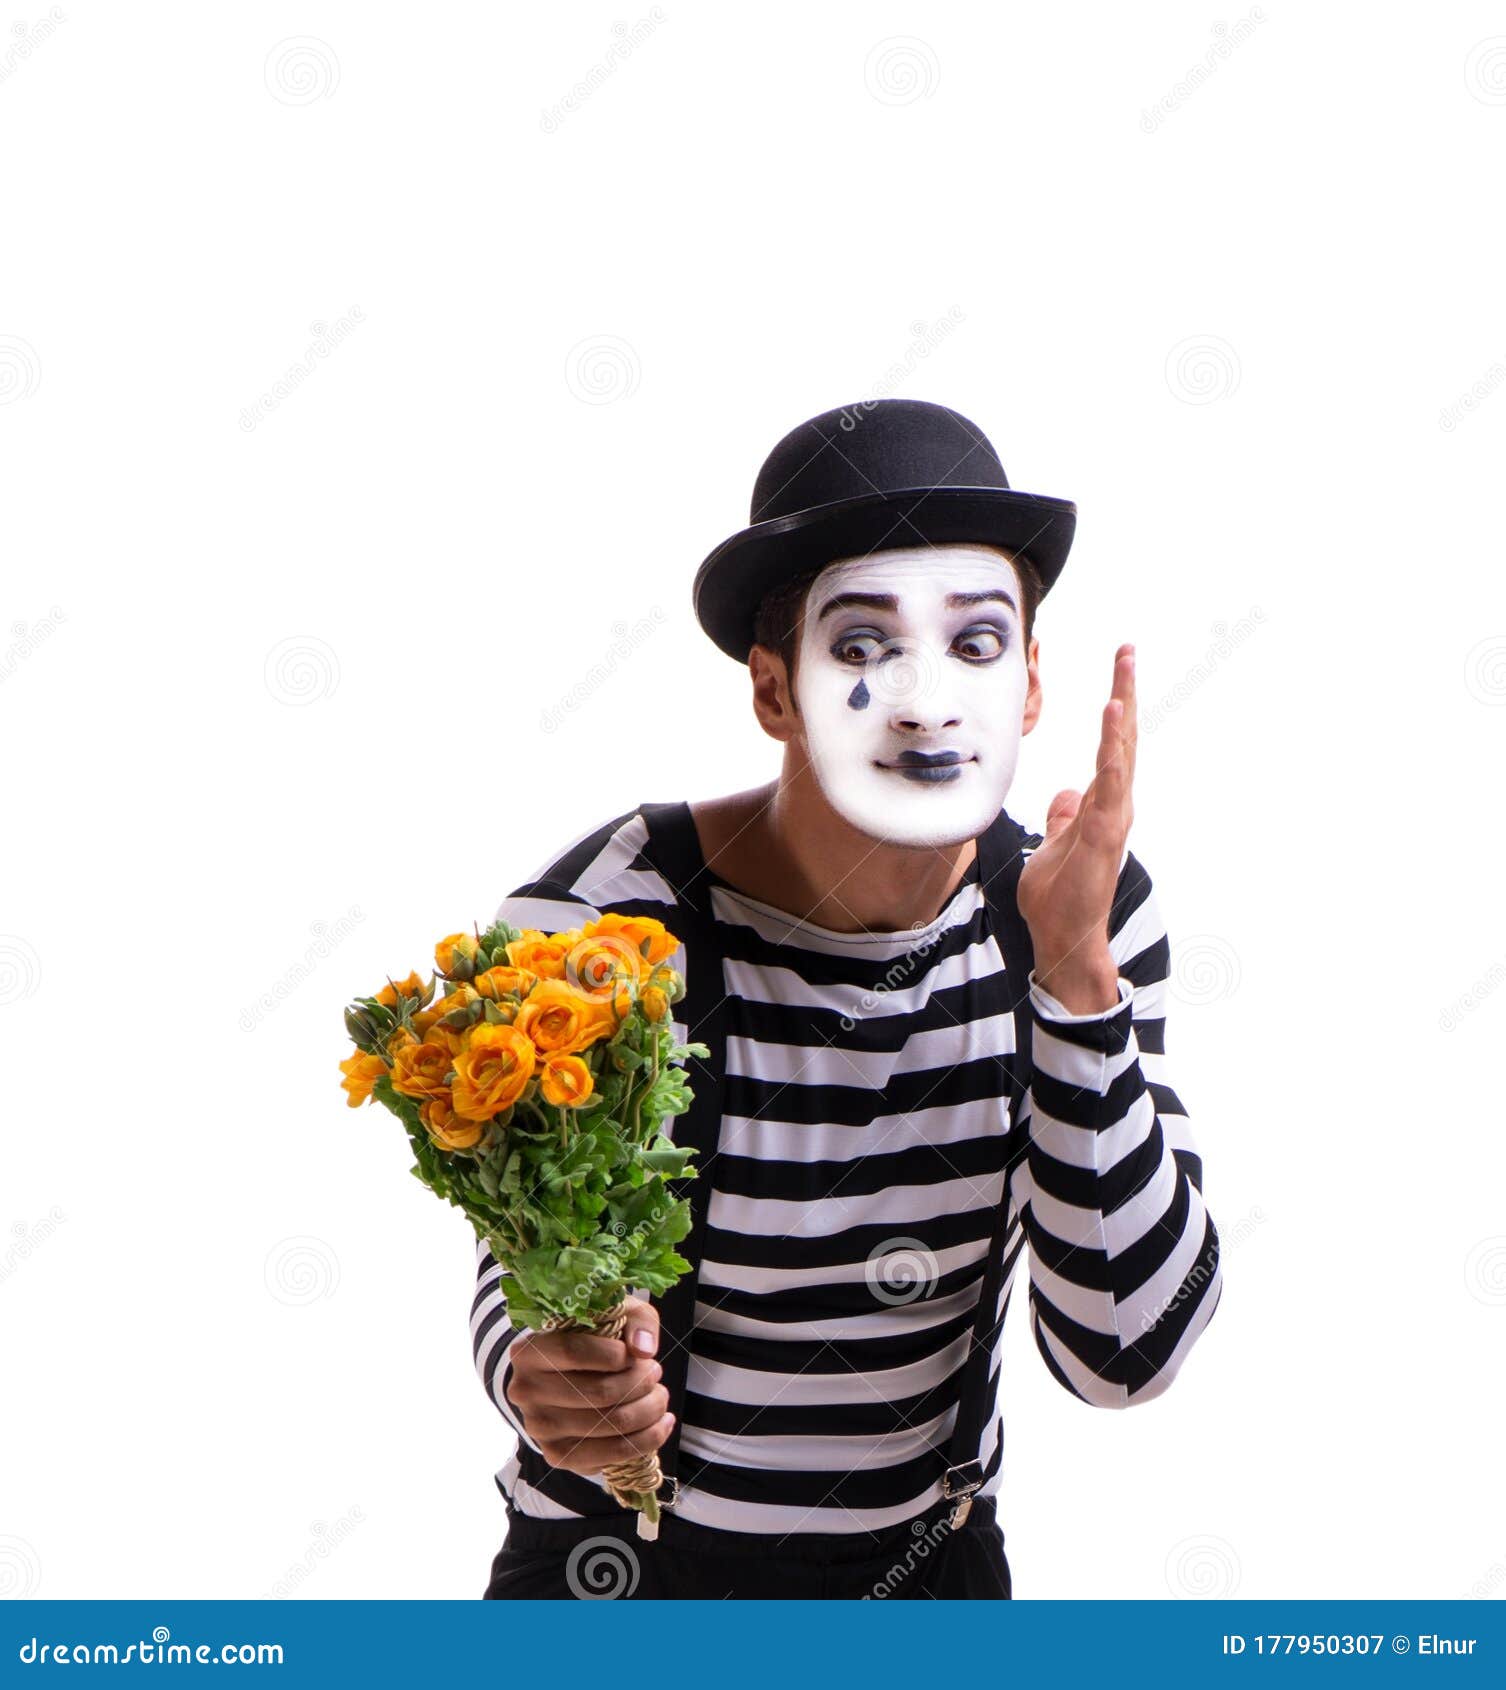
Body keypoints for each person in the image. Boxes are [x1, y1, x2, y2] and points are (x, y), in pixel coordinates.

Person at [472, 399, 1223, 1599]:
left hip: (922, 1573)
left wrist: (1075, 978)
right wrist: (541, 1371)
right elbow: (523, 1274)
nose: (926, 703)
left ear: (1031, 683)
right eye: (863, 648)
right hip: (612, 1576)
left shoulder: (1084, 910)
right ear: (775, 691)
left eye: (975, 645)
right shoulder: (605, 928)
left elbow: (1126, 1353)